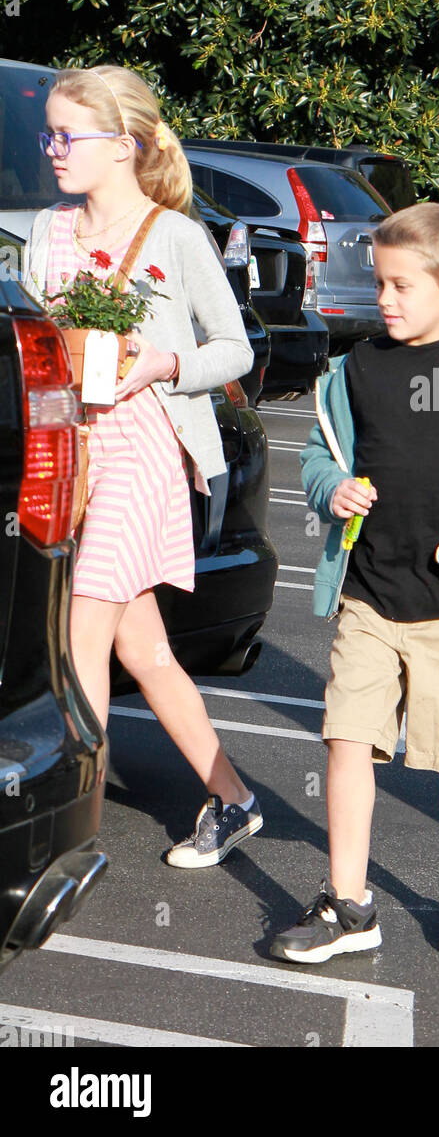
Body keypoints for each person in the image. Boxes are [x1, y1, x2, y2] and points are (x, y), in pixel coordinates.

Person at [271, 202, 439, 963]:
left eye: (402, 286)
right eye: (380, 284)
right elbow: (316, 457)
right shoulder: (355, 369)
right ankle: (349, 901)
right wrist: (330, 487)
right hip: (366, 594)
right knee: (347, 740)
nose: (384, 299)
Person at [22, 64, 264, 869]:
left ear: (123, 147)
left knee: (81, 622)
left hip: (142, 448)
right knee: (145, 651)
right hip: (65, 454)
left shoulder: (175, 236)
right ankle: (234, 797)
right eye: (49, 133)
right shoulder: (48, 233)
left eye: (68, 136)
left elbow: (234, 347)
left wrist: (161, 361)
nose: (53, 149)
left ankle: (71, 828)